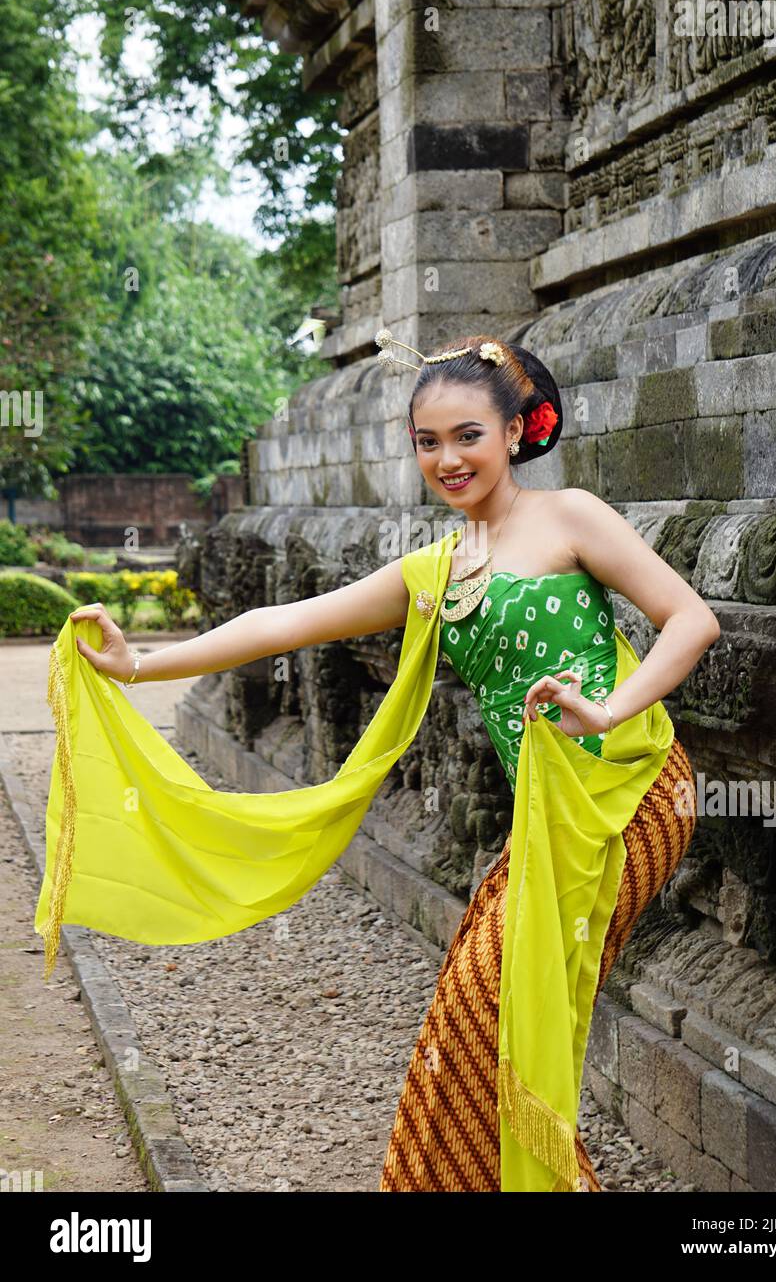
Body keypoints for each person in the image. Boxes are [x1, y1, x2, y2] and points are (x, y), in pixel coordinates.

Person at [63, 332, 719, 1193]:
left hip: (634, 795)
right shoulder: (436, 570)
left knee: (496, 1012)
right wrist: (142, 663)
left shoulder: (571, 518)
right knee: (479, 1024)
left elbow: (692, 620)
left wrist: (608, 709)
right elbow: (286, 622)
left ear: (518, 433)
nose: (448, 459)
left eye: (468, 436)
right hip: (548, 819)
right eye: (428, 442)